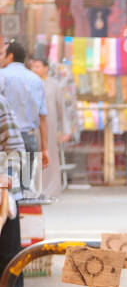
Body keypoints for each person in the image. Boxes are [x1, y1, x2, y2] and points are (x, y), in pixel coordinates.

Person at [0, 41, 48, 170]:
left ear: (10, 56)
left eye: (3, 54)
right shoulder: (36, 80)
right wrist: (44, 148)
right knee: (26, 186)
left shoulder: (2, 76)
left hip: (7, 142)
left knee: (8, 184)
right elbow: (43, 117)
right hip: (30, 139)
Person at [0, 92, 26, 287]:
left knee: (8, 249)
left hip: (3, 189)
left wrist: (6, 176)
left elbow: (15, 146)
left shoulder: (1, 103)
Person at [29, 56, 64, 199]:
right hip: (34, 125)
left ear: (45, 68)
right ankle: (36, 189)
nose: (35, 69)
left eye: (38, 66)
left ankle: (52, 189)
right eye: (33, 67)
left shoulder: (54, 85)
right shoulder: (29, 83)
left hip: (51, 124)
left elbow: (61, 107)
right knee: (35, 155)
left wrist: (64, 129)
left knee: (51, 156)